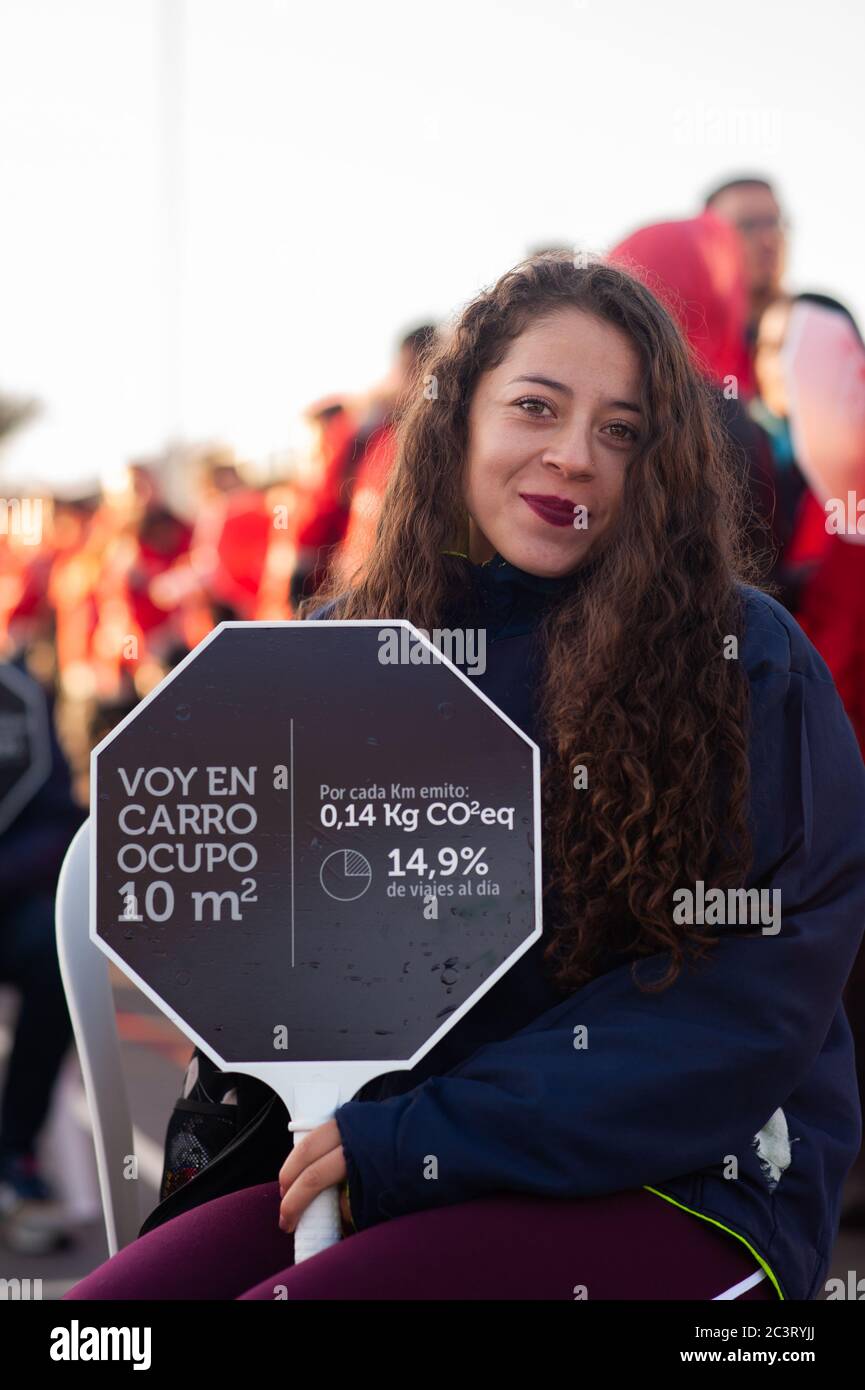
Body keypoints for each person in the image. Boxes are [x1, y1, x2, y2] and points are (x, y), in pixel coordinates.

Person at [65, 253, 865, 1301]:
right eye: (535, 406)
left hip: (684, 1181)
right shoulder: (343, 645)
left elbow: (739, 1009)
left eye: (621, 430)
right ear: (459, 423)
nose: (573, 455)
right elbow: (264, 948)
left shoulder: (740, 660)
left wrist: (424, 1139)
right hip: (369, 1150)